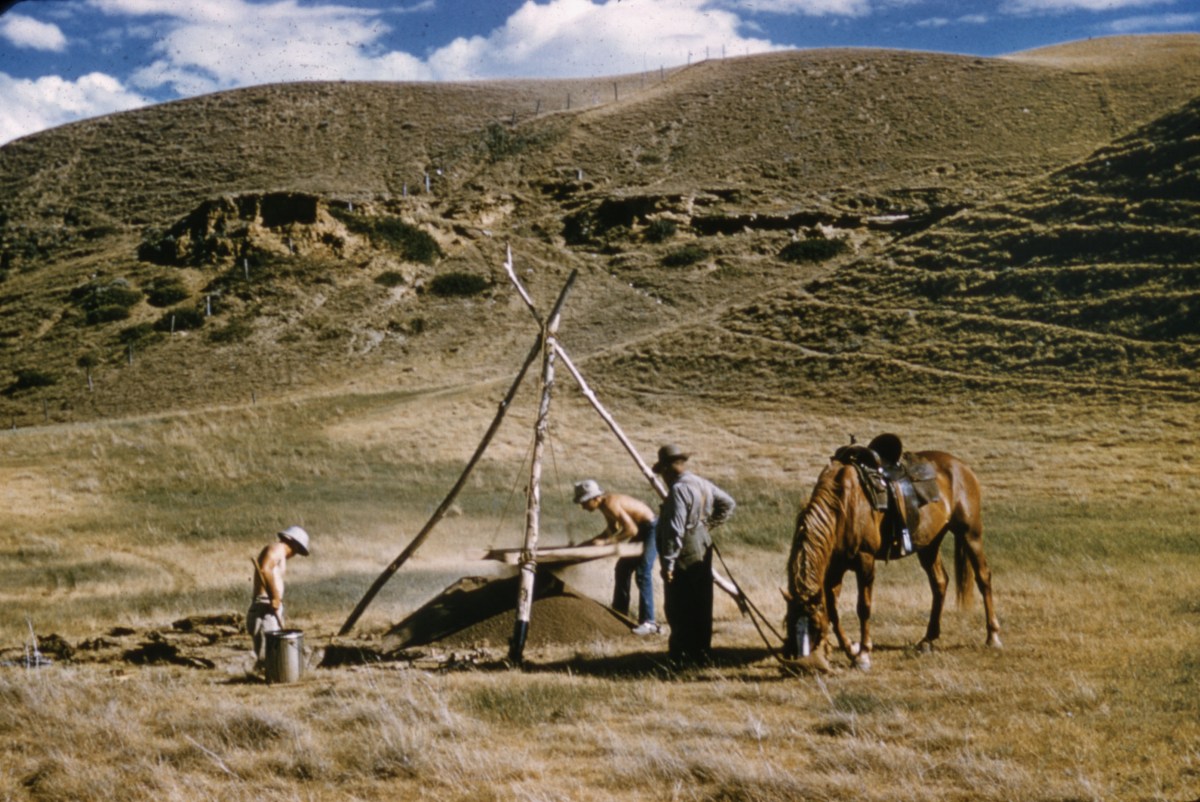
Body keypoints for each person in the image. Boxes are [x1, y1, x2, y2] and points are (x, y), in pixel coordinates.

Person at [653, 444, 735, 666]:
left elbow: (674, 528)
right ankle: (701, 653)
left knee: (679, 604)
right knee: (701, 601)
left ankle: (681, 657)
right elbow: (728, 503)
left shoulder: (679, 489)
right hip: (701, 543)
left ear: (669, 470)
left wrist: (668, 564)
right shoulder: (700, 482)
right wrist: (706, 526)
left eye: (662, 473)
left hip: (684, 550)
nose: (663, 479)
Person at [574, 479, 661, 635]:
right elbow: (612, 528)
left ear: (595, 498)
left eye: (584, 503)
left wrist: (606, 542)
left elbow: (631, 530)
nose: (583, 507)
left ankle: (649, 623)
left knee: (643, 572)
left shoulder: (609, 503)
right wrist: (589, 543)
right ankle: (619, 612)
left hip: (652, 528)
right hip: (643, 529)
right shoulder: (603, 504)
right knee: (622, 568)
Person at [247, 525, 310, 670]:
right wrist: (275, 597)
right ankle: (264, 678)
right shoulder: (275, 549)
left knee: (273, 647)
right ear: (292, 543)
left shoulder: (280, 553)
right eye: (296, 550)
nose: (295, 554)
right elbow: (265, 569)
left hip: (270, 606)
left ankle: (271, 674)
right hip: (265, 605)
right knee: (267, 647)